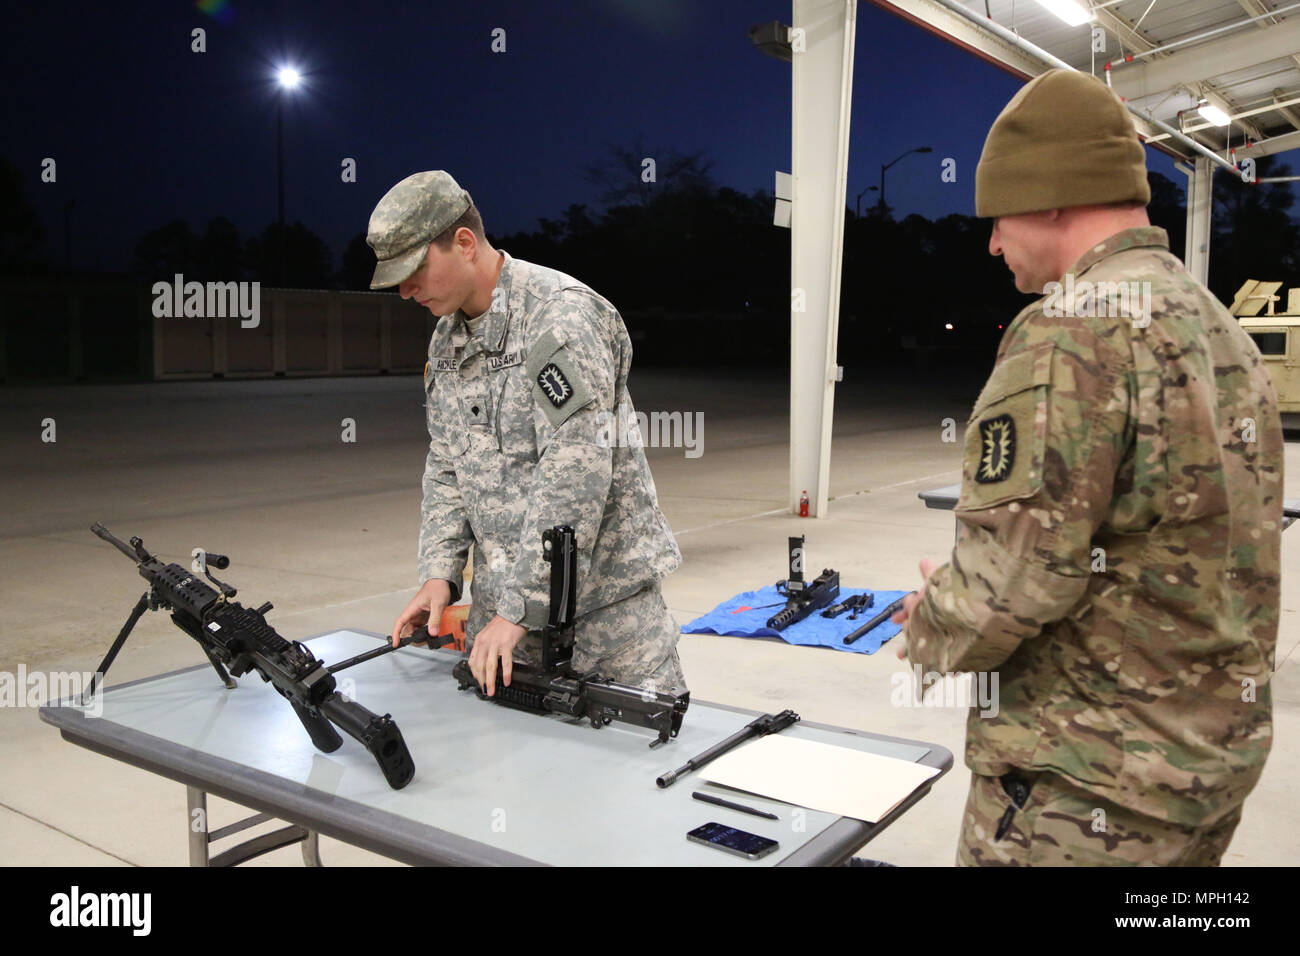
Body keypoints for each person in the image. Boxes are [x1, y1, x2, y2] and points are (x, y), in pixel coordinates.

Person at [893, 70, 1283, 866]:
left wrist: (930, 620)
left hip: (1083, 785)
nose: (995, 242)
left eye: (999, 216)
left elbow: (1011, 583)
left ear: (1053, 196)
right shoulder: (1217, 327)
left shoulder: (1071, 327)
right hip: (1202, 770)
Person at [371, 170, 686, 696]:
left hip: (601, 624)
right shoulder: (445, 344)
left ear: (465, 243)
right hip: (506, 629)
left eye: (415, 270)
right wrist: (440, 572)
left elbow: (576, 470)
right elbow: (448, 463)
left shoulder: (557, 317)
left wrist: (523, 607)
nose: (406, 291)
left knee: (642, 770)